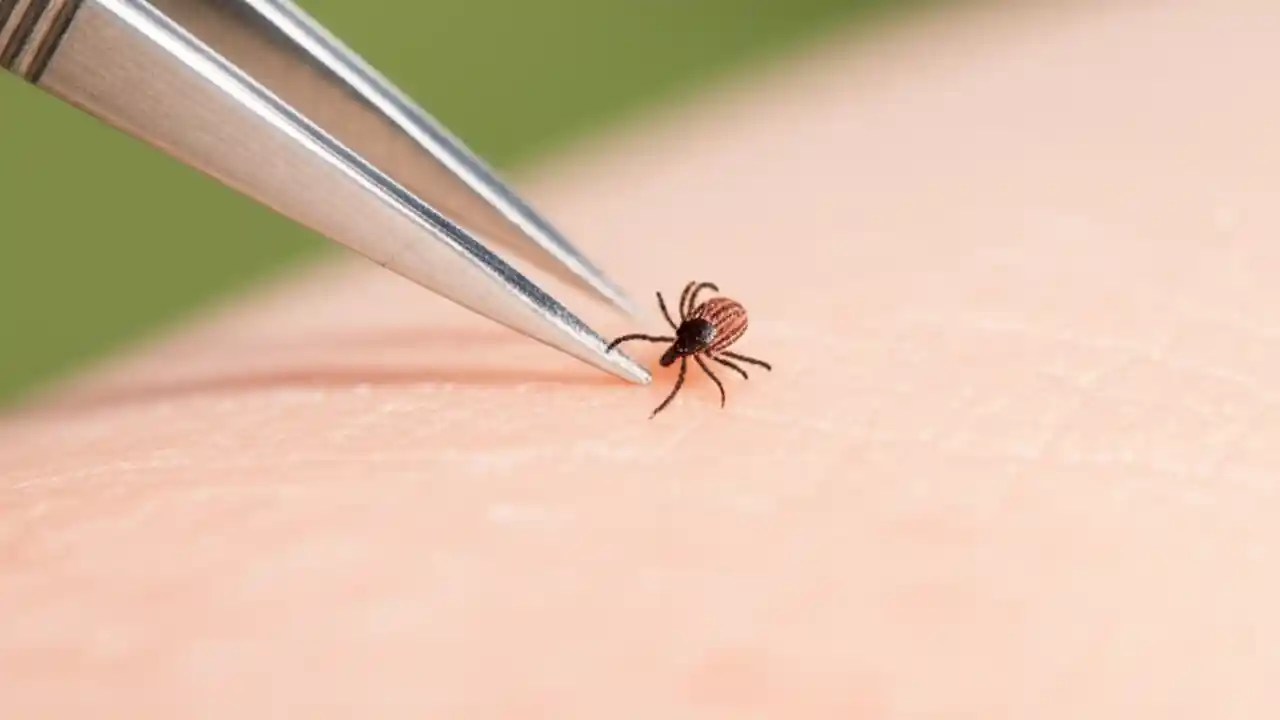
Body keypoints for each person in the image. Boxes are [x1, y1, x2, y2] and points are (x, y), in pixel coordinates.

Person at [3, 0, 1278, 715]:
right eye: (684, 342)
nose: (684, 349)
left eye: (686, 346)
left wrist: (674, 349)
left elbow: (690, 323)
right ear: (692, 336)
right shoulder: (697, 340)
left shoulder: (677, 333)